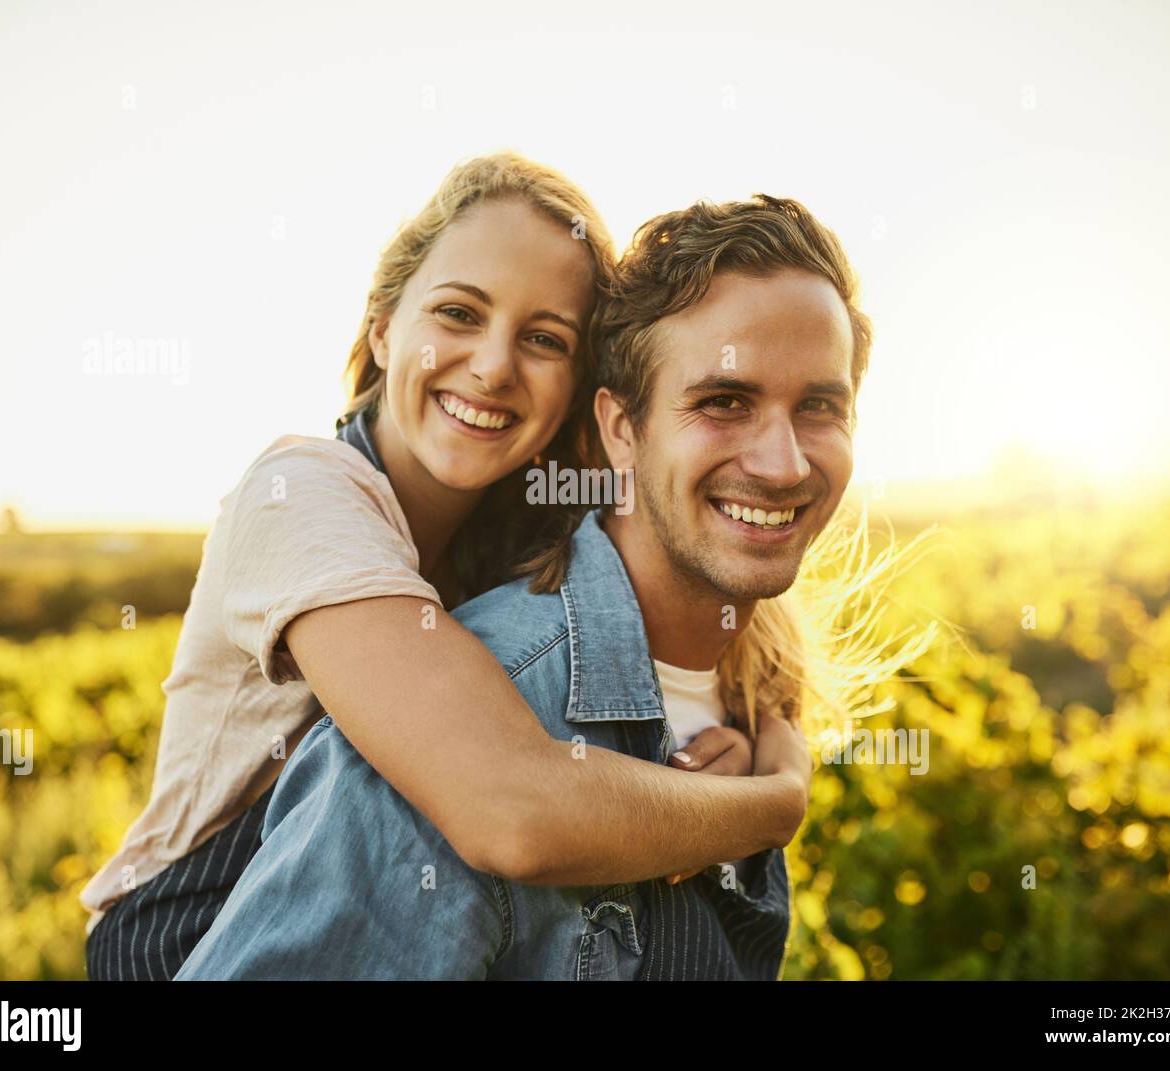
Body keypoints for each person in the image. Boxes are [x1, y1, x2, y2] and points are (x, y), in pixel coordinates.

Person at [83, 153, 811, 981]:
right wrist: (768, 807)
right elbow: (504, 808)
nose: (494, 365)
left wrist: (755, 745)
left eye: (545, 338)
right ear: (384, 324)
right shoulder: (300, 494)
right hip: (190, 930)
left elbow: (727, 597)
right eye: (460, 313)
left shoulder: (534, 520)